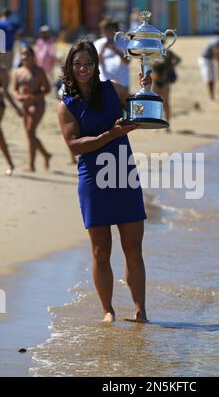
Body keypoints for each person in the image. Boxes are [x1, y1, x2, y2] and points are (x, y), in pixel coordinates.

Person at [57, 40, 151, 323]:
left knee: (133, 247)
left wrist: (145, 89)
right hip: (93, 179)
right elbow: (75, 145)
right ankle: (107, 310)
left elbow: (140, 113)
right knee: (101, 250)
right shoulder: (66, 105)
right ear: (70, 68)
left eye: (87, 63)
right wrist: (110, 135)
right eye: (77, 64)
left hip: (123, 171)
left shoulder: (113, 89)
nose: (83, 69)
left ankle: (140, 311)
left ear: (96, 65)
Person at [13, 46, 51, 172]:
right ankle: (45, 154)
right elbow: (14, 89)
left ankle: (31, 165)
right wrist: (18, 96)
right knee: (30, 134)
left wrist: (34, 96)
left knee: (30, 131)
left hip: (37, 104)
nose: (24, 57)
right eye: (22, 55)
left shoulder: (39, 71)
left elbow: (47, 89)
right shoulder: (18, 72)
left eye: (27, 54)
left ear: (32, 56)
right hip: (25, 105)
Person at [0, 57, 23, 175]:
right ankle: (10, 163)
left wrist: (16, 108)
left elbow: (5, 92)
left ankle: (10, 163)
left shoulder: (2, 71)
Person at [94, 18, 130, 91]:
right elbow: (96, 62)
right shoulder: (98, 43)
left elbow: (127, 61)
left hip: (122, 83)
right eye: (105, 29)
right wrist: (103, 49)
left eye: (110, 29)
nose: (107, 32)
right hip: (104, 82)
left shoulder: (124, 42)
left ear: (116, 30)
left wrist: (115, 49)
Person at [151, 50, 181, 130]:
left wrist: (171, 66)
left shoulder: (167, 52)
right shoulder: (153, 50)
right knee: (156, 102)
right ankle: (156, 124)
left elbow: (178, 59)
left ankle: (167, 124)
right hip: (156, 80)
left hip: (164, 81)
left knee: (165, 103)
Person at [198, 32, 219, 101]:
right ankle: (211, 96)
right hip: (206, 59)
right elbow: (215, 54)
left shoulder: (218, 40)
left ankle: (212, 95)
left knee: (212, 78)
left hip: (210, 60)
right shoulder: (216, 42)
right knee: (209, 78)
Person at [0, 8, 20, 73]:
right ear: (10, 15)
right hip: (9, 50)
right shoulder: (13, 24)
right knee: (8, 71)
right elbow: (17, 36)